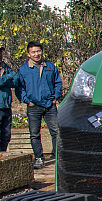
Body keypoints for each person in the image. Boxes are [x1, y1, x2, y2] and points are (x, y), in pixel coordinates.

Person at [15, 40, 62, 169]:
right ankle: (39, 158)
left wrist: (55, 98)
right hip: (33, 106)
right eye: (33, 52)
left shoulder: (50, 67)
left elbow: (58, 83)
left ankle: (57, 157)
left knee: (56, 131)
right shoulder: (23, 69)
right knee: (34, 133)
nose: (36, 54)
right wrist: (26, 100)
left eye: (38, 51)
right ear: (28, 54)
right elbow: (19, 87)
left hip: (49, 105)